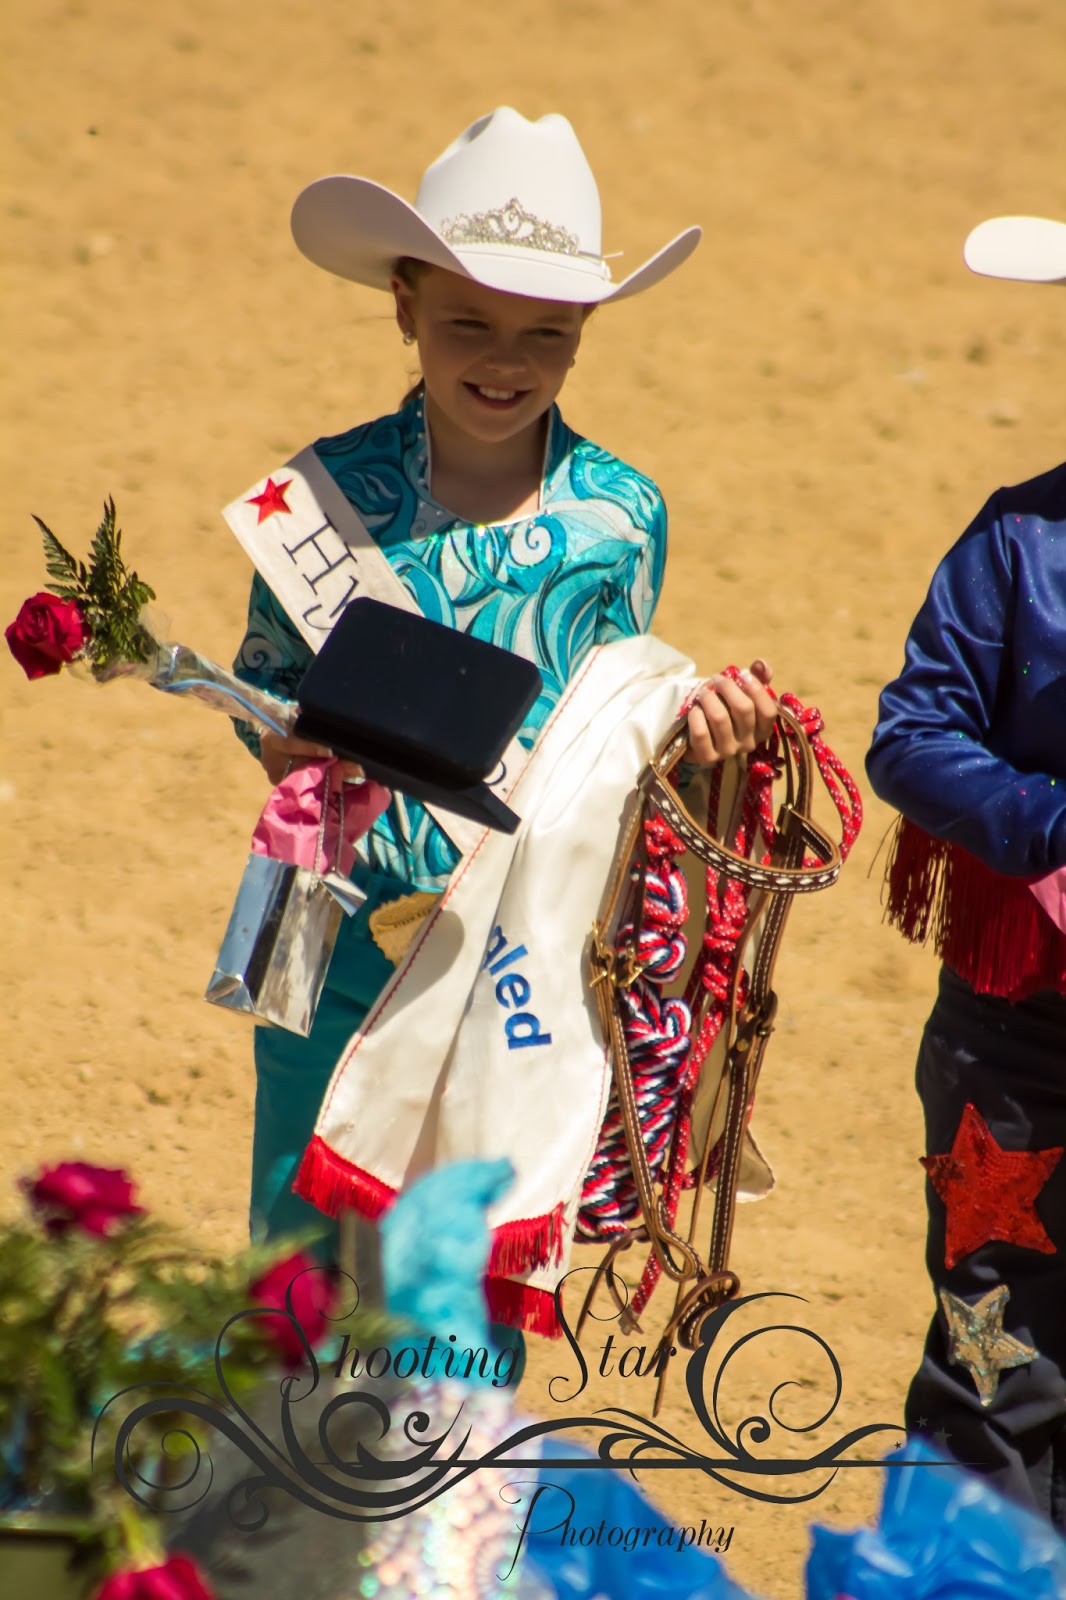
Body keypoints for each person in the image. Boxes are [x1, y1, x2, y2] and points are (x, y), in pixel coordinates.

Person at [230, 109, 776, 1301]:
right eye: (469, 320)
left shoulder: (621, 516)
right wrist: (280, 738)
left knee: (464, 1260)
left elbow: (610, 726)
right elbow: (264, 678)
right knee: (298, 1243)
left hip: (511, 950)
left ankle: (445, 1483)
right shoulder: (322, 495)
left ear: (585, 332)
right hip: (333, 916)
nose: (504, 359)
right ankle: (276, 1483)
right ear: (404, 305)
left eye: (547, 332)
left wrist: (702, 744)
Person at [866, 212, 1066, 1526]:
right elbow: (910, 732)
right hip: (1021, 1040)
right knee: (993, 1369)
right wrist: (1044, 820)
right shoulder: (1016, 544)